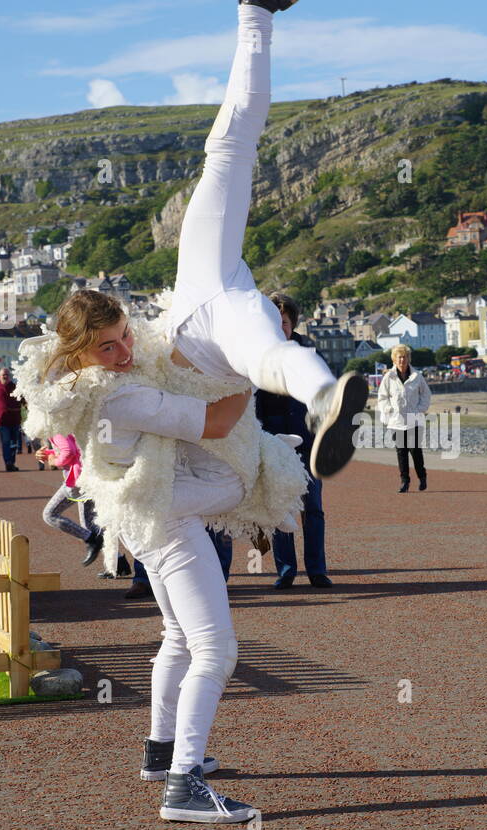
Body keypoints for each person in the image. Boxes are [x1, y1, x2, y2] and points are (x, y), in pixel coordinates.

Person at [13, 285, 307, 826]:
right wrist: (244, 369)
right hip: (166, 522)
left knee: (177, 637)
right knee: (216, 651)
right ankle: (184, 785)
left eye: (125, 334)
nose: (124, 352)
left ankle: (161, 752)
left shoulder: (86, 384)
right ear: (79, 352)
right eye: (107, 347)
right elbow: (216, 422)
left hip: (144, 518)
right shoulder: (124, 396)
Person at [159, 0, 366, 482]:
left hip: (214, 328)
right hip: (214, 315)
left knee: (271, 358)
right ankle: (321, 394)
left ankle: (322, 394)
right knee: (230, 150)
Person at [258, 293, 332, 587]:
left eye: (284, 322)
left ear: (293, 323)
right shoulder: (259, 356)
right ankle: (286, 570)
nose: (280, 328)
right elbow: (253, 401)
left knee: (312, 508)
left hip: (308, 439)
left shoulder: (310, 353)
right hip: (274, 442)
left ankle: (317, 570)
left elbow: (327, 394)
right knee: (279, 507)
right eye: (274, 323)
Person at [36, 434, 103, 565]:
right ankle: (119, 560)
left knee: (49, 514)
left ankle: (91, 540)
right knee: (89, 525)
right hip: (86, 475)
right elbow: (71, 448)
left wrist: (54, 461)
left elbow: (68, 451)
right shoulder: (63, 423)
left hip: (77, 481)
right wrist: (48, 454)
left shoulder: (56, 428)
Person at [376, 343, 432, 493]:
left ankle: (422, 477)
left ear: (408, 358)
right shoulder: (389, 377)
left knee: (415, 450)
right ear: (394, 359)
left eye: (405, 357)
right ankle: (404, 481)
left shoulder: (417, 376)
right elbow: (382, 397)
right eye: (399, 357)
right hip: (396, 421)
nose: (402, 360)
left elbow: (426, 395)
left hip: (414, 420)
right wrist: (389, 410)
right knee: (401, 452)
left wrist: (420, 409)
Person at [0, 367, 24, 472]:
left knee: (14, 443)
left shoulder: (16, 388)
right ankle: (8, 463)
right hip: (2, 422)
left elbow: (24, 400)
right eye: (3, 375)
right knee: (6, 442)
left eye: (7, 374)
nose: (6, 376)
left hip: (15, 420)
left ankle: (12, 462)